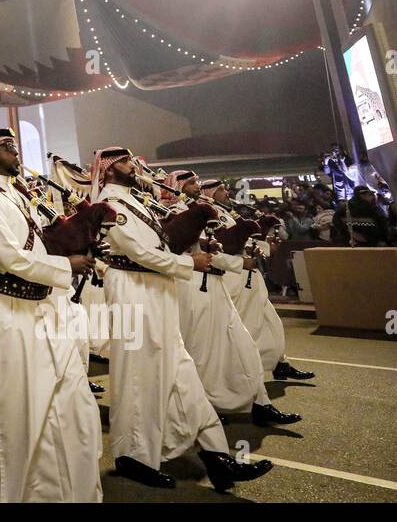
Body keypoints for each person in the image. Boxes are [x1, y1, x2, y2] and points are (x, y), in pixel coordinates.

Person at [94, 147, 272, 492]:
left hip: (155, 289)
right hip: (132, 291)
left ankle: (217, 457)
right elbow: (138, 251)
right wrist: (191, 264)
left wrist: (196, 241)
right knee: (138, 374)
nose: (135, 167)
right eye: (128, 162)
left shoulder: (134, 200)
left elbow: (158, 241)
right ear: (111, 168)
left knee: (181, 371)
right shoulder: (110, 203)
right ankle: (131, 456)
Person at [0, 130, 101, 502]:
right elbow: (9, 258)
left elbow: (38, 244)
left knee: (55, 404)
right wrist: (64, 264)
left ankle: (52, 490)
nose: (15, 152)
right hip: (6, 314)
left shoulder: (15, 194)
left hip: (38, 307)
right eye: (7, 148)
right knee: (15, 411)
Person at [171, 176, 302, 423]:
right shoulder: (178, 212)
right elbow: (198, 251)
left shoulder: (216, 212)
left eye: (197, 183)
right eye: (190, 184)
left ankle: (260, 402)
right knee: (201, 354)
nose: (195, 188)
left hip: (218, 283)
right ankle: (203, 407)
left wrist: (254, 246)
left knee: (243, 345)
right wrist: (238, 263)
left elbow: (222, 244)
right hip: (196, 287)